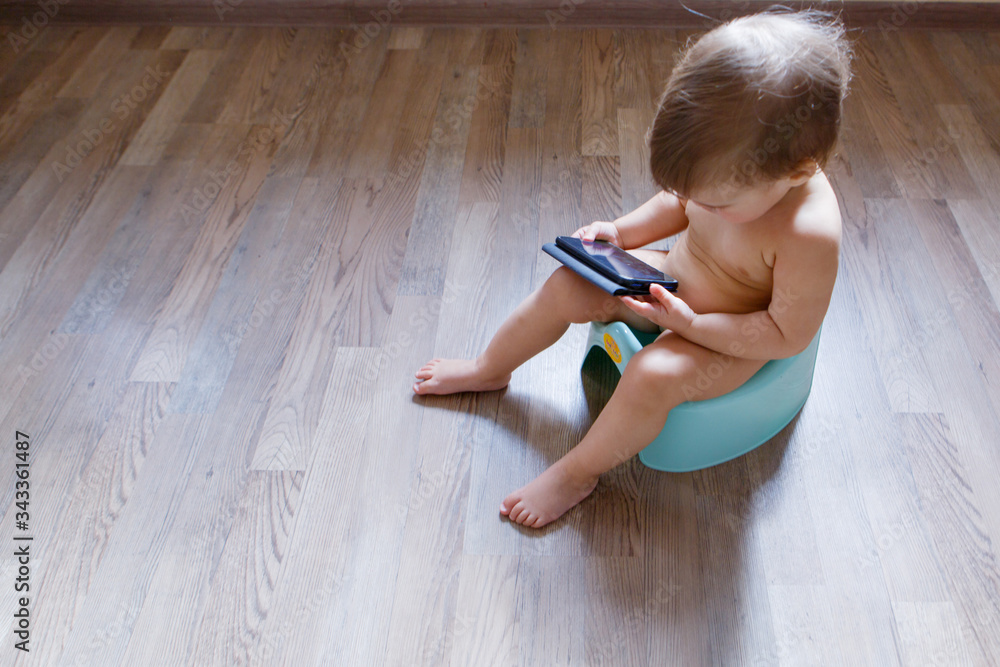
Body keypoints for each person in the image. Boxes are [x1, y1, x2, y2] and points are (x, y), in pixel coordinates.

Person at [413, 10, 851, 528]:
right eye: (693, 193)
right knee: (569, 283)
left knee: (650, 376)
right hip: (671, 283)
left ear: (798, 170)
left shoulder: (809, 234)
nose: (699, 206)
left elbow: (785, 334)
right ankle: (490, 368)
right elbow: (676, 203)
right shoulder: (730, 179)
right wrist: (621, 234)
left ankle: (578, 473)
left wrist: (693, 325)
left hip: (730, 339)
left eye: (717, 204)